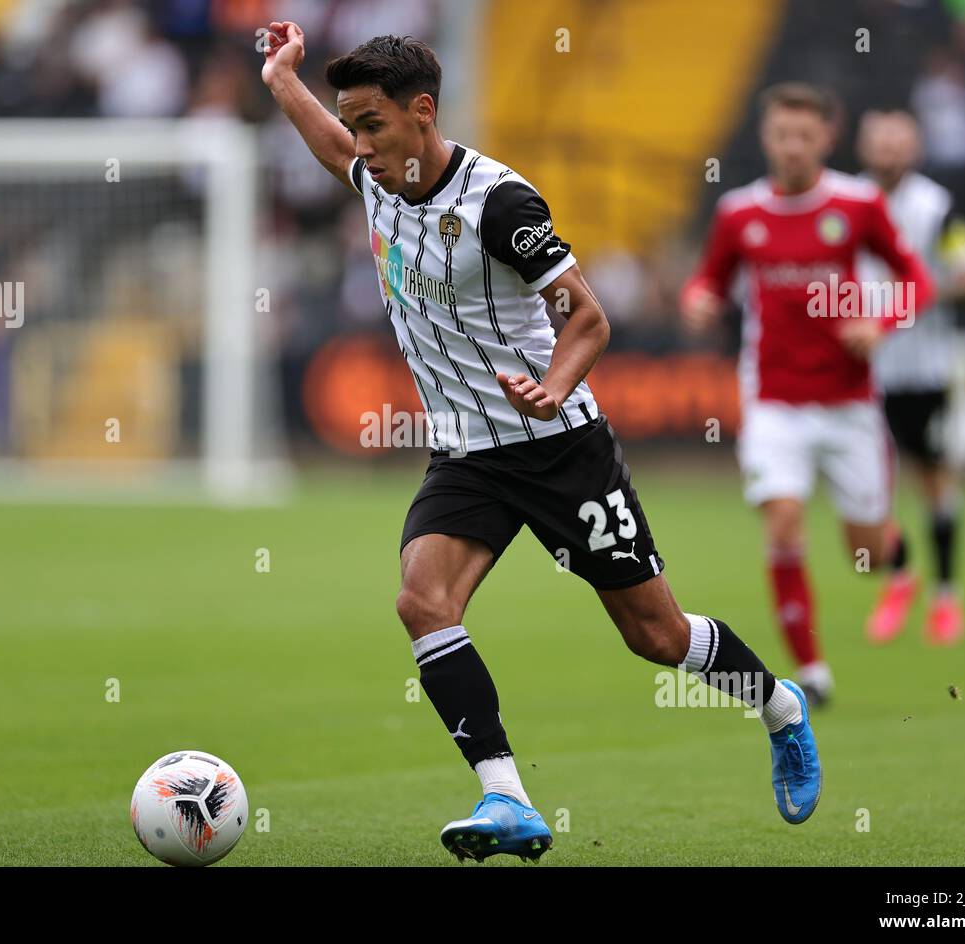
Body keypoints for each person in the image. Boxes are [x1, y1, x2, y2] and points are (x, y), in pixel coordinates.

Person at [262, 25, 821, 862]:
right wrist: (281, 81)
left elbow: (588, 315)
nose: (361, 145)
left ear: (422, 114)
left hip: (559, 444)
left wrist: (553, 388)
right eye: (355, 125)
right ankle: (506, 797)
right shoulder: (376, 175)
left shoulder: (501, 203)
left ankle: (778, 707)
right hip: (466, 453)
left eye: (372, 124)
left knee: (656, 637)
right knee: (422, 602)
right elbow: (329, 145)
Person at [681, 83, 934, 707]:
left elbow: (916, 279)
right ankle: (812, 673)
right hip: (773, 399)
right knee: (785, 518)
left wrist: (879, 321)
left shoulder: (858, 204)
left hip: (849, 405)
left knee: (865, 555)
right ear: (766, 137)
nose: (792, 148)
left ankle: (896, 554)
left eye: (805, 136)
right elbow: (707, 281)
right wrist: (697, 302)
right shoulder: (739, 212)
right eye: (781, 135)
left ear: (828, 137)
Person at [856, 109, 965, 645]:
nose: (888, 153)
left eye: (898, 143)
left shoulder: (937, 209)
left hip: (922, 370)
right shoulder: (845, 202)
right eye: (879, 143)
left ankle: (945, 595)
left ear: (913, 150)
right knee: (868, 486)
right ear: (864, 148)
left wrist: (925, 290)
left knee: (932, 479)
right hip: (863, 372)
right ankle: (900, 578)